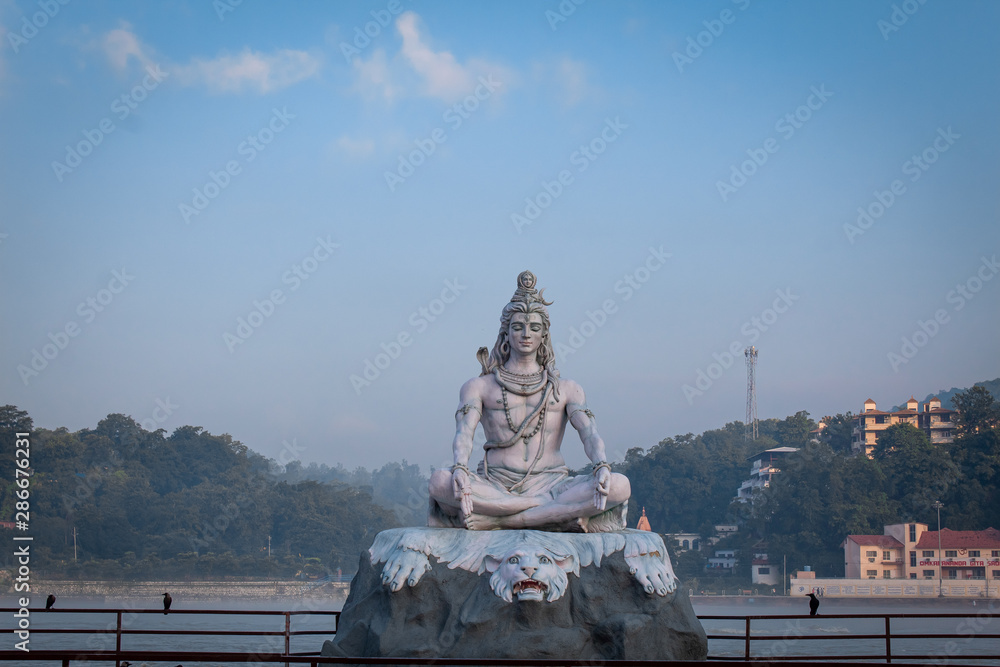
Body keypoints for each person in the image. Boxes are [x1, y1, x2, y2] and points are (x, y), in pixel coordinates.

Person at [428, 271, 630, 533]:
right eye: (518, 327)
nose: (526, 334)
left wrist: (601, 465)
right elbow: (464, 434)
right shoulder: (480, 386)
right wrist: (460, 468)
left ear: (544, 334)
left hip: (552, 485)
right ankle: (548, 513)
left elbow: (590, 434)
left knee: (619, 485)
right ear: (506, 333)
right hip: (496, 485)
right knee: (440, 482)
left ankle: (503, 519)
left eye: (534, 328)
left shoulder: (567, 388)